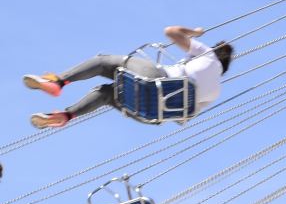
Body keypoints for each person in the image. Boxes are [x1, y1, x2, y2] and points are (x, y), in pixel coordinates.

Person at [23, 27, 234, 129]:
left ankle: (58, 81)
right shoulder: (216, 92)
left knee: (104, 63)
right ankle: (66, 116)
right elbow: (183, 118)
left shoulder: (208, 54)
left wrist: (194, 32)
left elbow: (172, 32)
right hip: (150, 114)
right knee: (106, 94)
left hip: (155, 80)